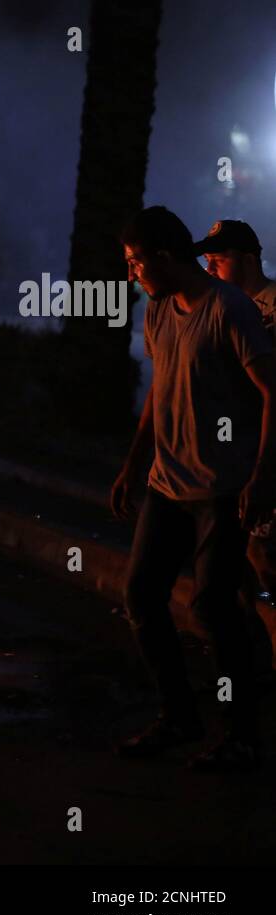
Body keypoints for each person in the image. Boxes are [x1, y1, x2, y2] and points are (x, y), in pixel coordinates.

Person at [110, 207, 276, 771]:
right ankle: (178, 715)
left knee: (213, 606)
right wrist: (133, 466)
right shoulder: (158, 312)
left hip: (223, 489)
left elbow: (272, 391)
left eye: (137, 263)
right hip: (167, 484)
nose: (133, 274)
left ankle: (242, 735)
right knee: (141, 595)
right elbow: (160, 393)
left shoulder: (230, 310)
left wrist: (261, 475)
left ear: (164, 255)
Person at [195, 219, 276, 675]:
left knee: (267, 570)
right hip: (234, 464)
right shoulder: (225, 307)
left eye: (218, 260)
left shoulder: (270, 307)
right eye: (207, 259)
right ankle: (256, 670)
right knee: (243, 576)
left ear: (247, 260)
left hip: (264, 463)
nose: (209, 268)